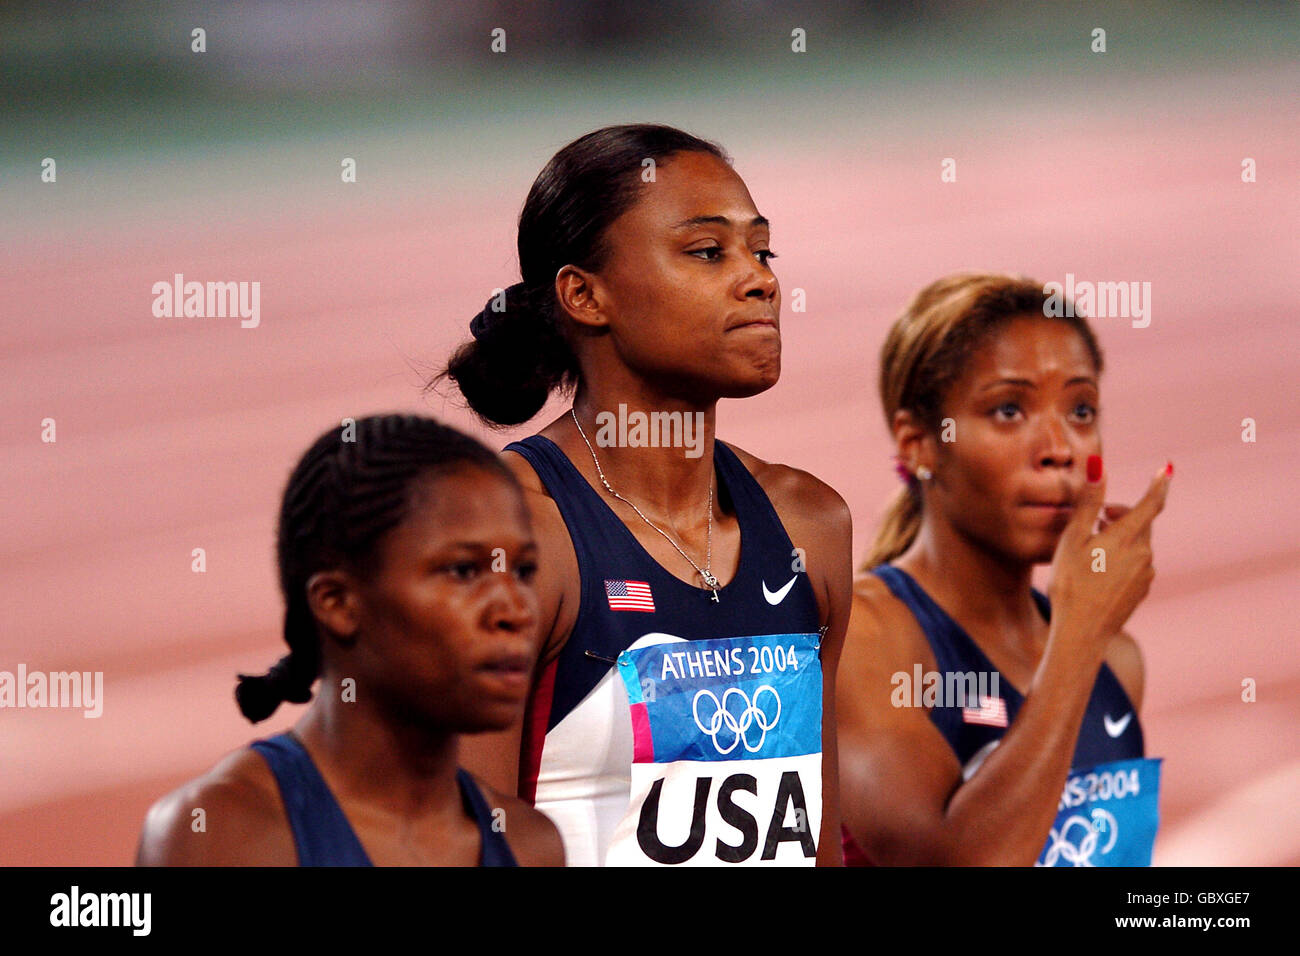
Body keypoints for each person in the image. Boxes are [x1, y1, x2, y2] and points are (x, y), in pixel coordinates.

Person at [440, 124, 852, 866]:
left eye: (763, 250)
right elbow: (462, 843)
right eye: (707, 252)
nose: (760, 278)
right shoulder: (513, 530)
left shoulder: (810, 524)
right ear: (585, 295)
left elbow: (817, 834)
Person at [838, 273, 1171, 866]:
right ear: (917, 443)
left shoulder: (1117, 663)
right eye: (1010, 409)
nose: (1060, 447)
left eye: (1081, 408)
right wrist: (1078, 636)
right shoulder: (863, 638)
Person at [136, 414, 564, 866]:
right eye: (462, 571)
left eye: (523, 572)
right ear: (338, 602)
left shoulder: (530, 844)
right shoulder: (223, 837)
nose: (516, 611)